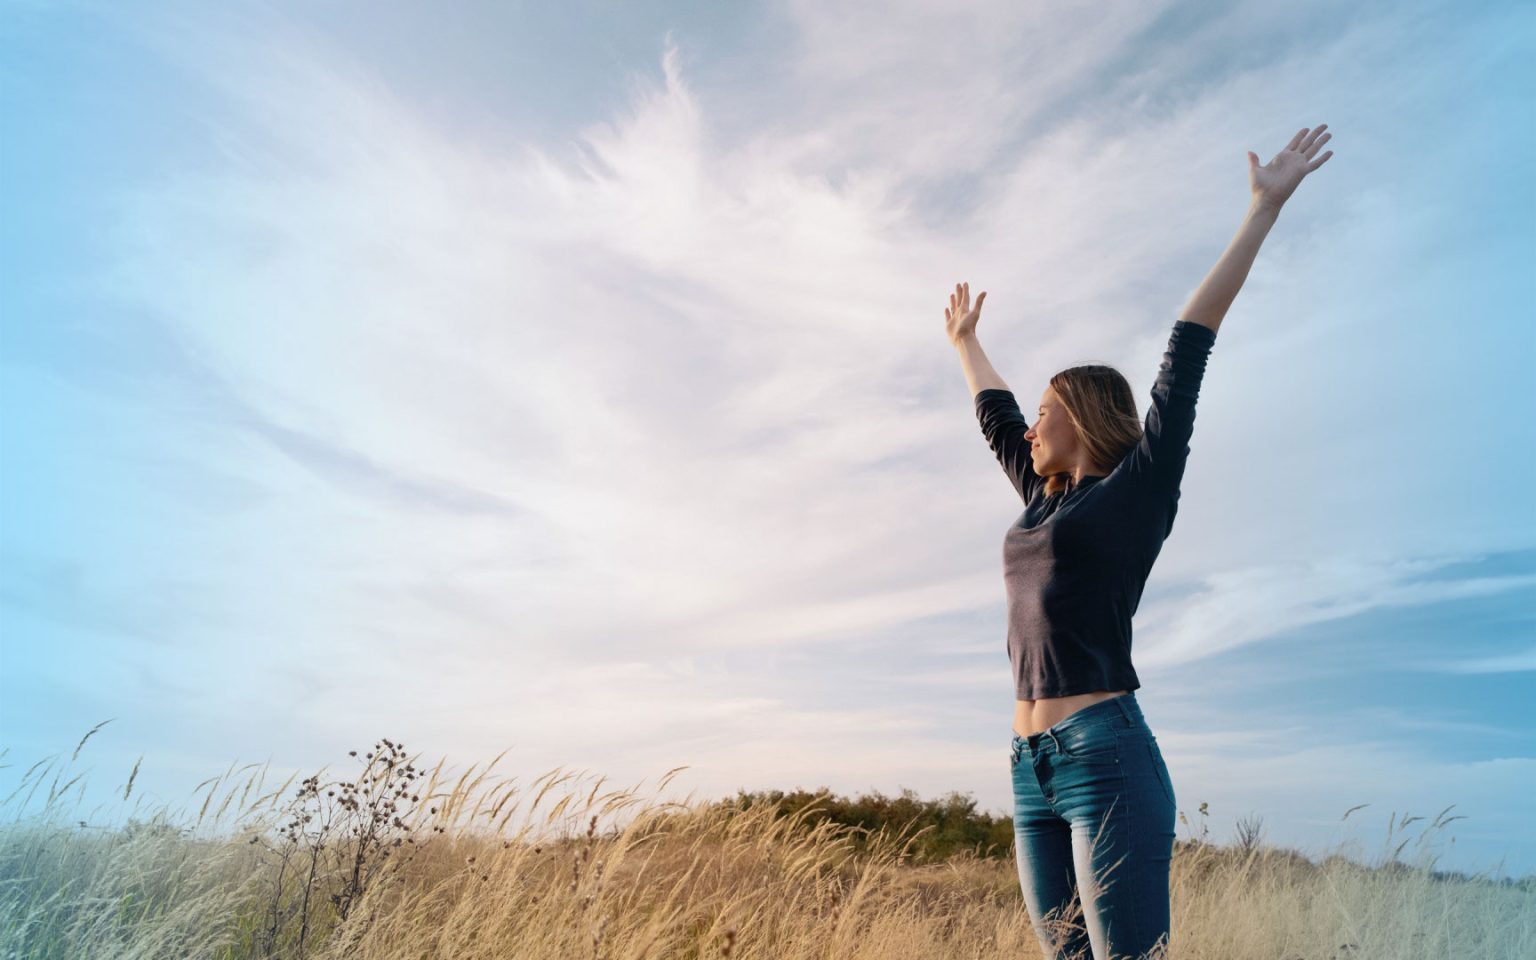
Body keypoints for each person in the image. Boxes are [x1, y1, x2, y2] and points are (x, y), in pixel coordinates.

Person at [945, 124, 1334, 960]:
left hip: (1105, 757)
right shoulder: (1040, 501)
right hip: (1029, 767)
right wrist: (967, 343)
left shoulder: (1133, 494)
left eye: (1046, 411)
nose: (1031, 426)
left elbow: (1187, 348)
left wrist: (1263, 211)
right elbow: (996, 418)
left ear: (1080, 418)